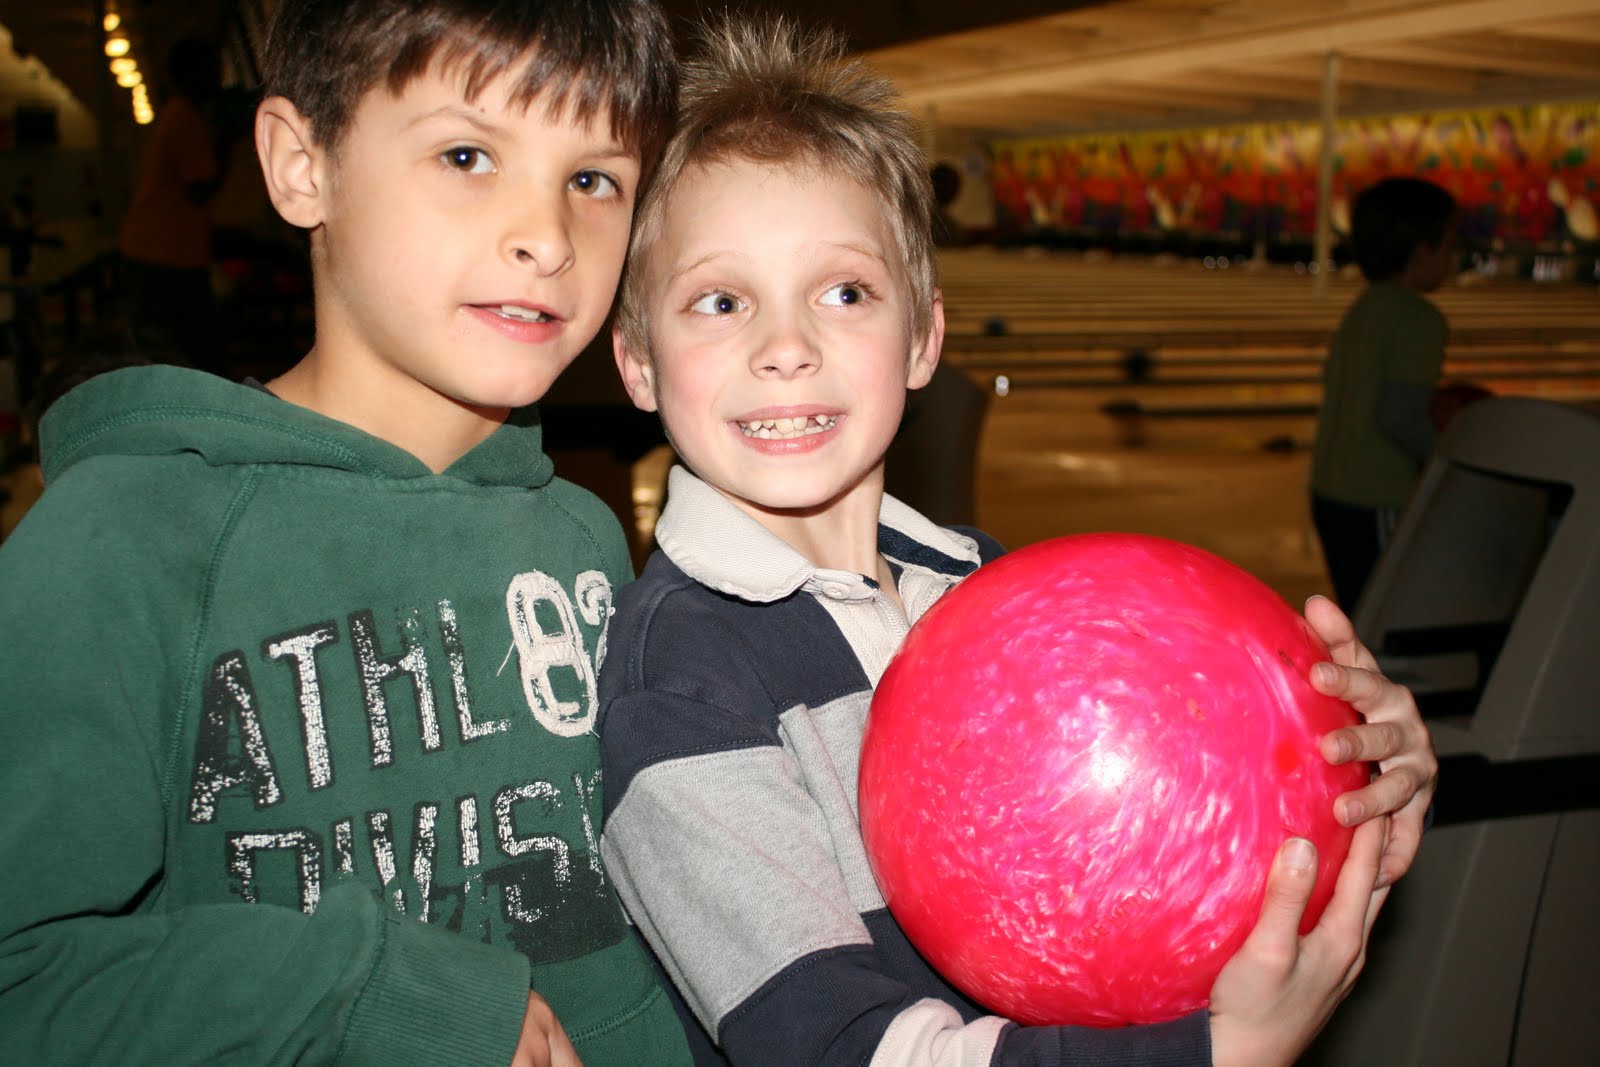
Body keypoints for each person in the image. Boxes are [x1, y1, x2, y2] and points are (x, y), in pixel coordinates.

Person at [599, 18, 1438, 1066]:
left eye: (845, 291)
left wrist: (1355, 795)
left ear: (923, 338)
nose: (786, 347)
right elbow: (837, 1049)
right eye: (720, 301)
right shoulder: (682, 684)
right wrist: (1214, 1055)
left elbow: (1167, 895)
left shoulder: (995, 592)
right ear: (635, 361)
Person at [0, 2, 693, 1064]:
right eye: (467, 154)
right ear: (298, 164)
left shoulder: (584, 536)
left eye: (593, 179)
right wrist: (363, 1002)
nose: (548, 237)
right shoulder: (122, 544)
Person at [1309, 176, 1463, 611]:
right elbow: (1399, 417)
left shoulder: (1365, 307)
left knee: (1363, 609)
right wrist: (1447, 461)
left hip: (1329, 491)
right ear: (1421, 252)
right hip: (1376, 496)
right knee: (1388, 614)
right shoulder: (1419, 319)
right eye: (1449, 245)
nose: (1454, 258)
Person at [118, 37, 235, 376]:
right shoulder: (185, 119)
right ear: (194, 74)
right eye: (214, 70)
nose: (218, 79)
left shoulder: (178, 115)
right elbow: (200, 188)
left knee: (172, 351)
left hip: (161, 253)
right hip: (165, 257)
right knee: (188, 352)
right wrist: (227, 144)